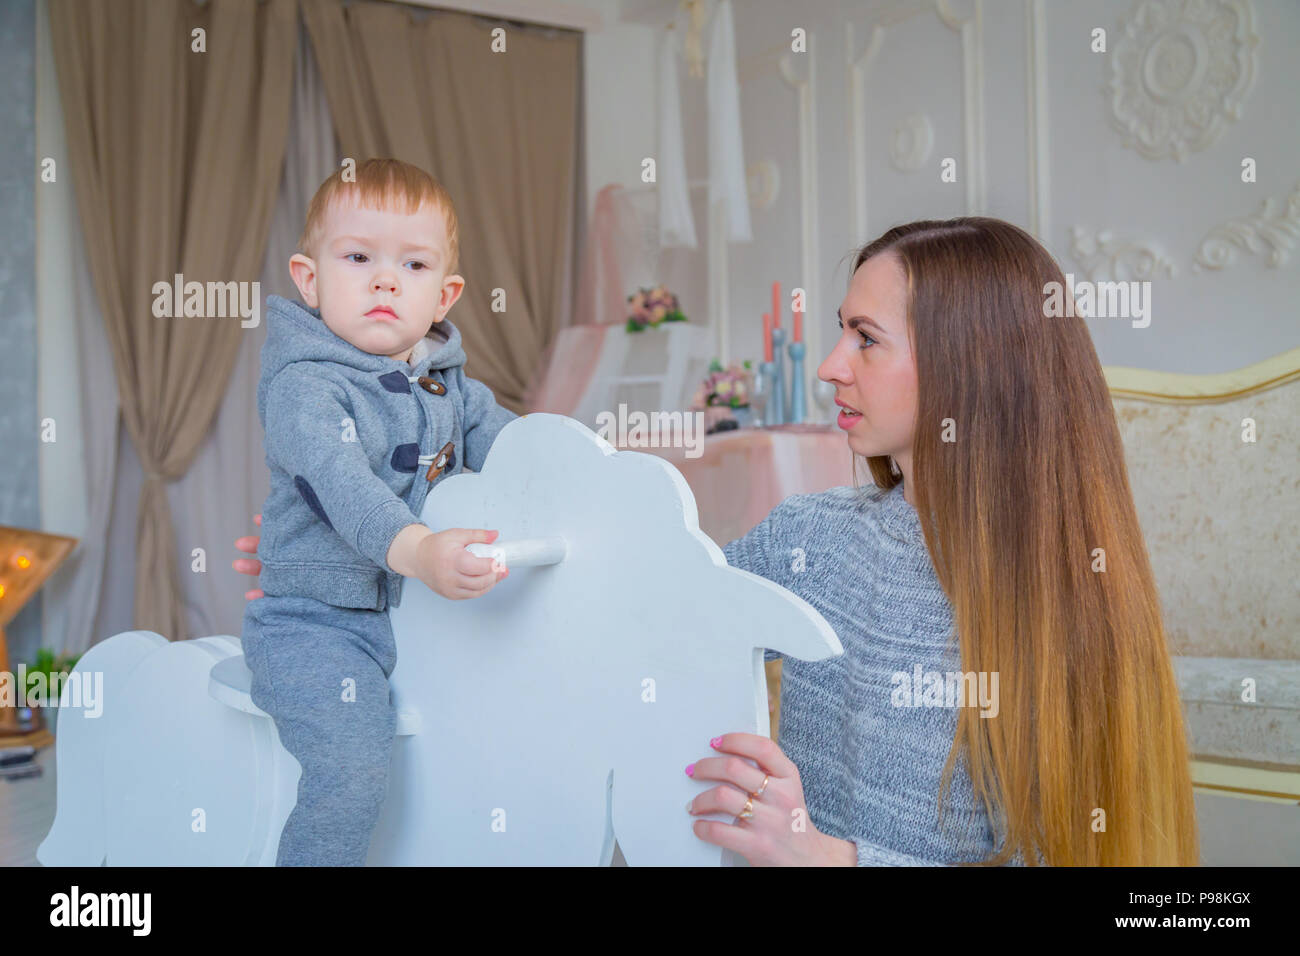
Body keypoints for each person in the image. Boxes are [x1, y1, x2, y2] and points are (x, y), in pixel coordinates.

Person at [237, 216, 1199, 866]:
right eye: (838, 332)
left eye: (866, 339)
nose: (829, 366)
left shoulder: (1071, 599)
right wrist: (350, 555)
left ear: (970, 364)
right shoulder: (808, 538)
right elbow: (607, 620)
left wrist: (830, 858)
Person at [240, 158, 517, 866]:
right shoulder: (305, 387)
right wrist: (422, 550)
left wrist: (588, 473)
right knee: (351, 769)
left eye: (414, 264)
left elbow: (521, 454)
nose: (385, 280)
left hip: (423, 621)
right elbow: (347, 489)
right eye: (358, 256)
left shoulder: (452, 387)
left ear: (445, 294)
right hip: (316, 628)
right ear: (309, 279)